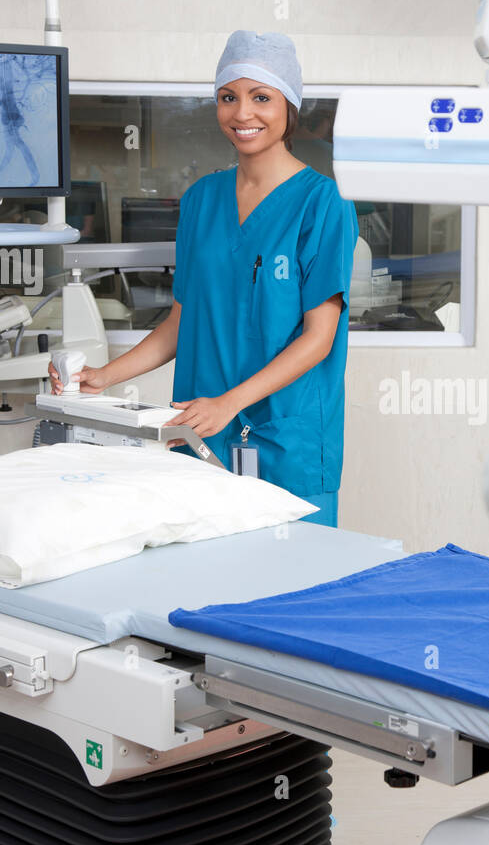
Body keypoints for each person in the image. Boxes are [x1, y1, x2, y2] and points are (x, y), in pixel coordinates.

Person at [50, 31, 358, 526]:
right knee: (209, 586)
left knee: (291, 589)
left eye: (262, 97)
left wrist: (228, 404)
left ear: (289, 107)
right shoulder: (200, 201)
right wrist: (102, 378)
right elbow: (182, 321)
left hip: (286, 436)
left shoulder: (324, 203)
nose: (243, 114)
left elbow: (319, 339)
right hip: (200, 433)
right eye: (228, 97)